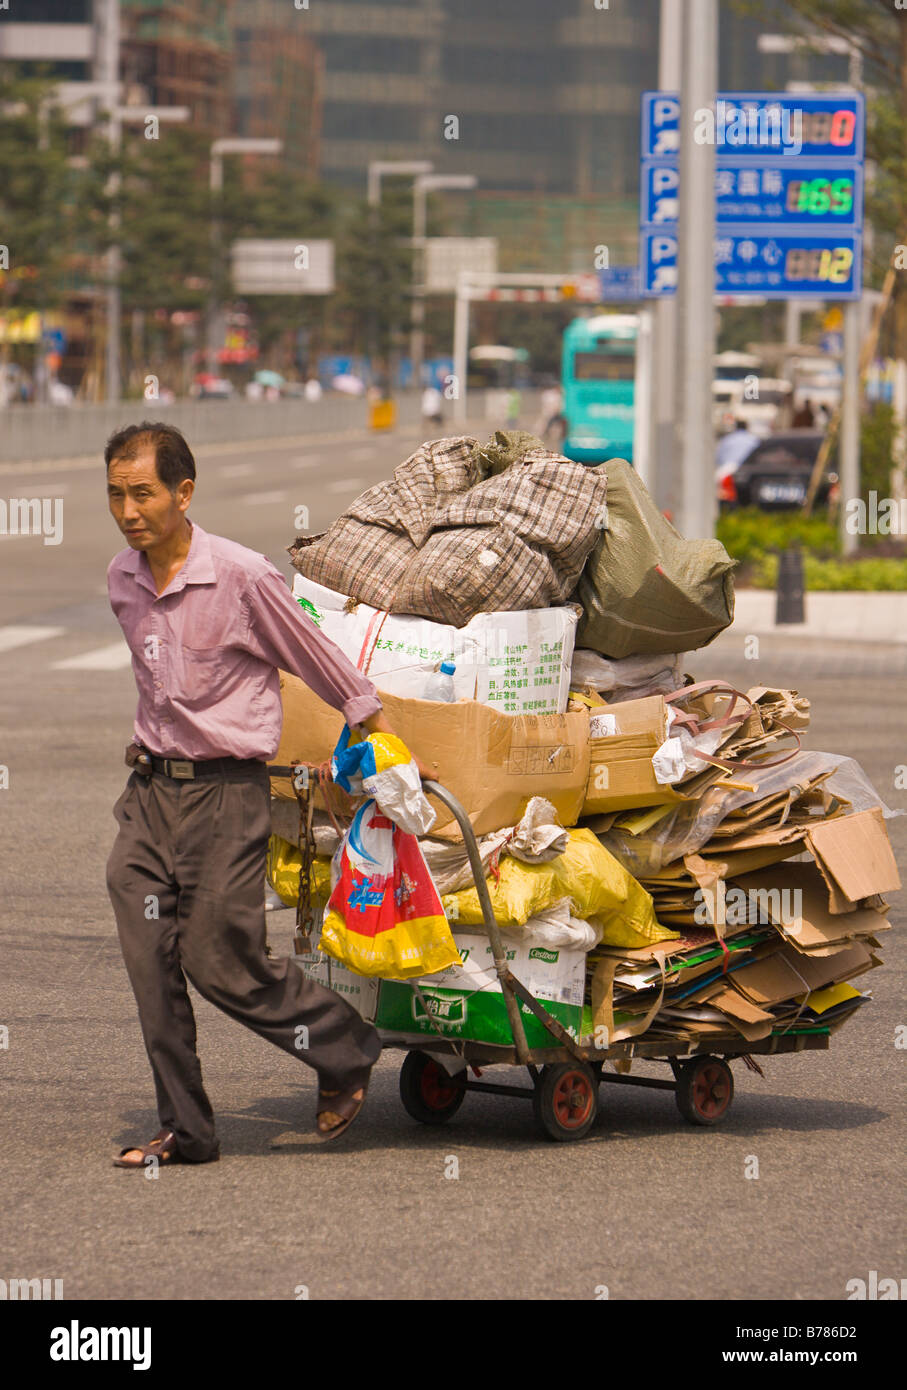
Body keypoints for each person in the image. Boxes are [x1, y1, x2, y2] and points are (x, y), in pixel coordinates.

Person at [104, 421, 429, 1170]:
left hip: (226, 795)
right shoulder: (123, 578)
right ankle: (186, 1131)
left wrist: (379, 738)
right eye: (117, 494)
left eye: (143, 493)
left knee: (221, 959)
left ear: (183, 493)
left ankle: (345, 1049)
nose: (129, 510)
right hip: (150, 793)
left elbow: (314, 656)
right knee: (151, 966)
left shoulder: (241, 575)